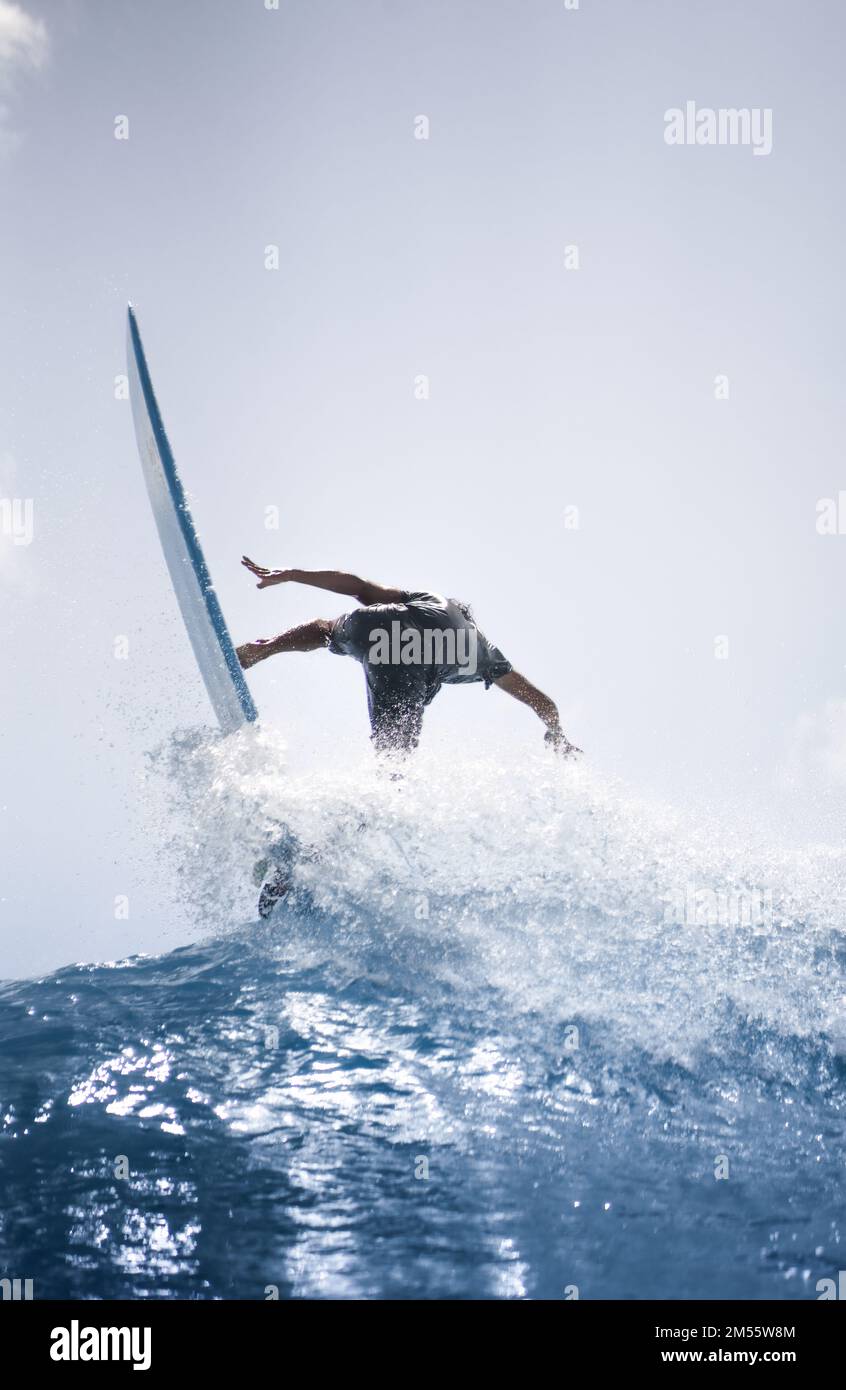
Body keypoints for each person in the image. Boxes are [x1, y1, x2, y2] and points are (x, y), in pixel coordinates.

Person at [236, 558, 581, 758]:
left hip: (379, 631)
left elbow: (357, 586)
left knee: (326, 628)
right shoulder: (484, 652)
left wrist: (294, 575)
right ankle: (341, 842)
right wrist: (558, 734)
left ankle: (259, 650)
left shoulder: (433, 598)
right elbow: (542, 702)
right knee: (394, 764)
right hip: (413, 669)